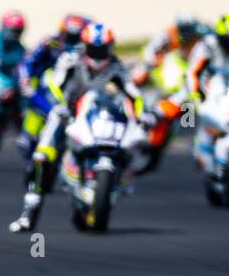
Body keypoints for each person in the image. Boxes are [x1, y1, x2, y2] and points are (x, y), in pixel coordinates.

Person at [10, 23, 151, 233]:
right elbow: (54, 85)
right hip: (66, 114)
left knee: (131, 138)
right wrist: (58, 105)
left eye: (103, 50)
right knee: (42, 157)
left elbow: (134, 94)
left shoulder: (116, 66)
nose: (98, 55)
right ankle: (28, 214)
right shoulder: (70, 60)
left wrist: (141, 114)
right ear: (84, 47)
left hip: (97, 115)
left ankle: (119, 180)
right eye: (94, 50)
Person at [17, 13, 90, 157]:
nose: (71, 40)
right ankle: (29, 125)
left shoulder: (86, 51)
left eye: (76, 36)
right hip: (46, 88)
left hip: (73, 94)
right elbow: (29, 61)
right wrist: (25, 77)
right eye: (68, 35)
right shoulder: (50, 42)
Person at [136, 13, 212, 89]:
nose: (186, 36)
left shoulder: (201, 41)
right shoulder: (167, 37)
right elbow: (149, 52)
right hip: (171, 77)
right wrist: (151, 63)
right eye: (182, 30)